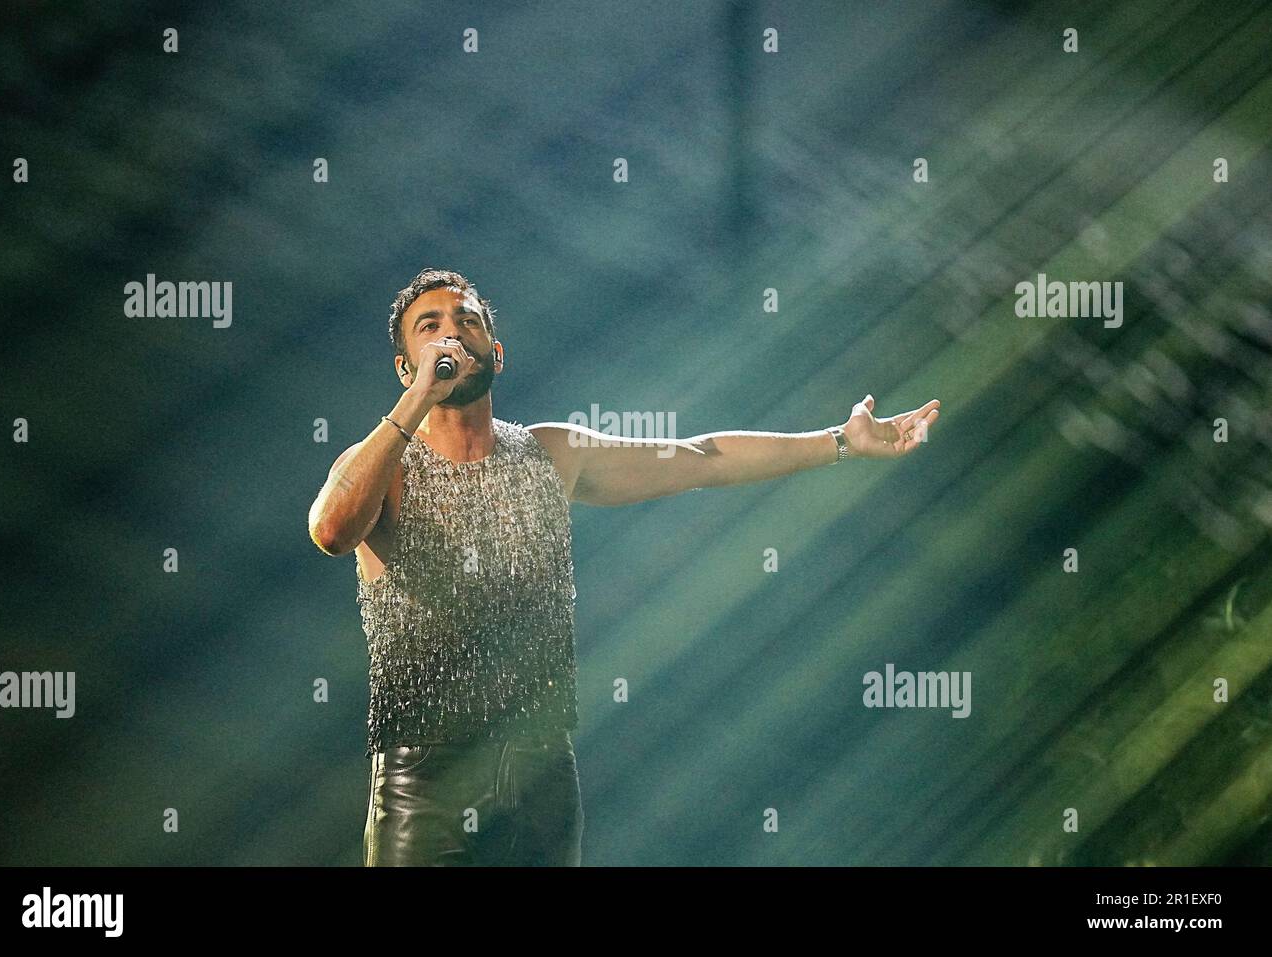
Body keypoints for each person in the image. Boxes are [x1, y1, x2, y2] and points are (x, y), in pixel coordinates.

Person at [307, 267, 941, 866]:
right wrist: (420, 397)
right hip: (426, 785)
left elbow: (702, 457)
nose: (451, 332)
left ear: (496, 353)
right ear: (403, 366)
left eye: (467, 320)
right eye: (431, 325)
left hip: (541, 776)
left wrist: (839, 441)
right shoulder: (380, 466)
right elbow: (332, 532)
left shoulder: (552, 454)